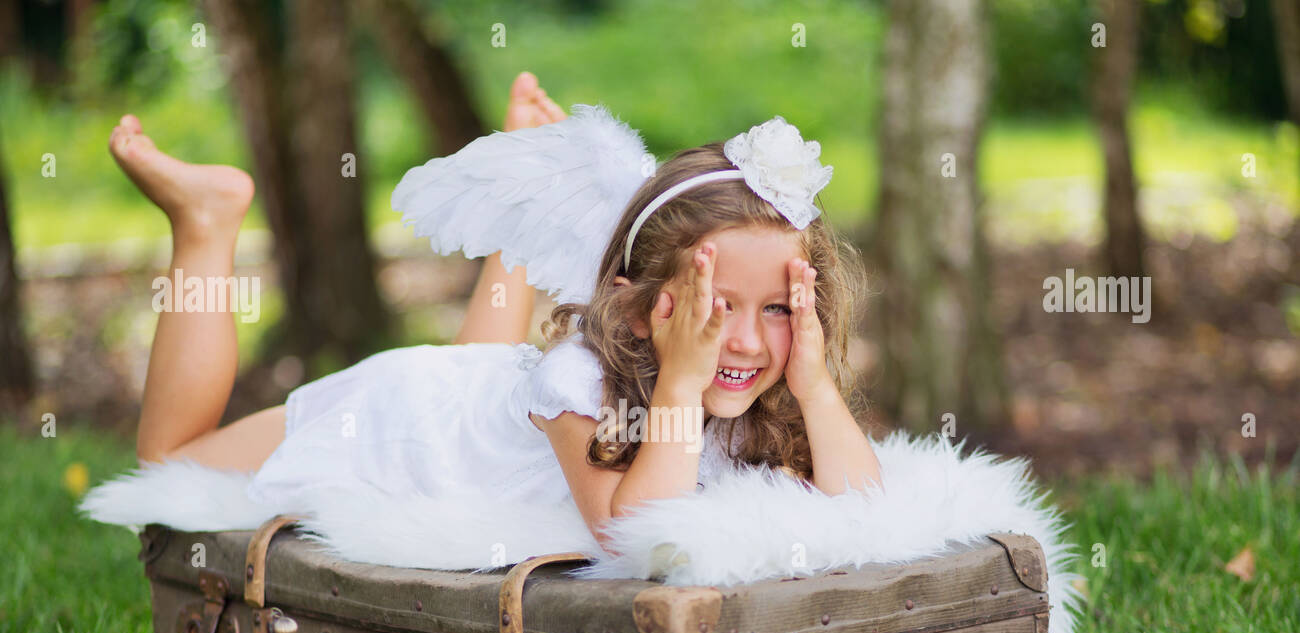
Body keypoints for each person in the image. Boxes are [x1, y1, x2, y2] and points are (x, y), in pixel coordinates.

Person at [108, 71, 881, 551]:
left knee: (480, 375)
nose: (743, 339)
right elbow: (633, 532)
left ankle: (523, 178)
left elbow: (868, 508)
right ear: (642, 312)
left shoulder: (764, 387)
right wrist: (677, 390)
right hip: (403, 418)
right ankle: (206, 223)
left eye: (779, 307)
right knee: (170, 460)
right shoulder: (582, 382)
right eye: (715, 307)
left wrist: (814, 388)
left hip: (481, 398)